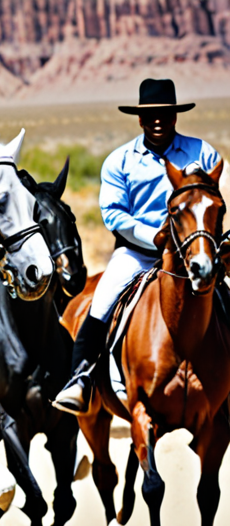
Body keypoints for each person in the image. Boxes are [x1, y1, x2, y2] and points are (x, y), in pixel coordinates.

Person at [53, 78, 221, 414]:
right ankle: (81, 378)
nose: (157, 120)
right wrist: (154, 237)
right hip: (137, 254)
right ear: (140, 119)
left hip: (193, 254)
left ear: (175, 116)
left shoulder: (203, 153)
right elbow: (113, 215)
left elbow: (216, 198)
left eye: (164, 113)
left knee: (224, 301)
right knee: (101, 303)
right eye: (150, 115)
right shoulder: (120, 161)